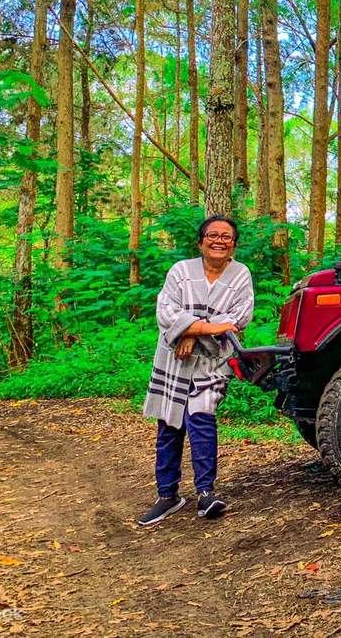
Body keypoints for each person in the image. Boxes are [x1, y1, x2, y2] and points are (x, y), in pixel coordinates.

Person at [138, 215, 254, 526]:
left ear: (234, 245)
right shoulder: (180, 272)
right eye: (212, 235)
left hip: (212, 360)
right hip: (175, 357)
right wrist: (199, 329)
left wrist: (190, 332)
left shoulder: (240, 274)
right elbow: (166, 311)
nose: (219, 241)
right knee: (170, 424)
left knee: (202, 418)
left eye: (226, 237)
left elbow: (238, 318)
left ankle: (206, 493)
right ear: (200, 242)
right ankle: (168, 495)